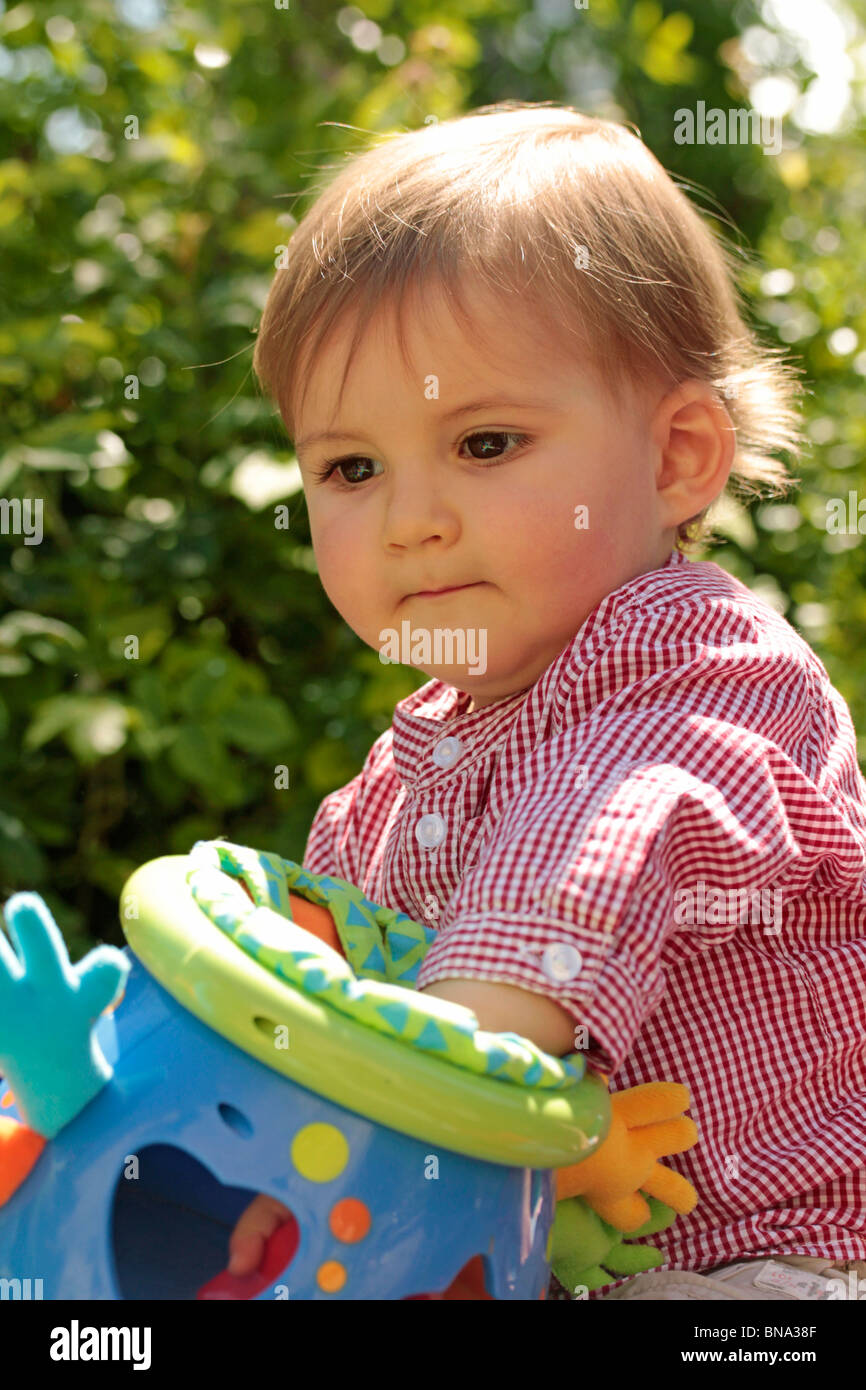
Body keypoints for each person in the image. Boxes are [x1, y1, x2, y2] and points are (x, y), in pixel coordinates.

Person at [224, 103, 866, 1300]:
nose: (409, 517)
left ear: (674, 457)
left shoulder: (699, 666)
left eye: (484, 443)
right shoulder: (409, 759)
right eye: (351, 467)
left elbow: (599, 844)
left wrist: (437, 1053)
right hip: (552, 1257)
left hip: (773, 1261)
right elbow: (346, 964)